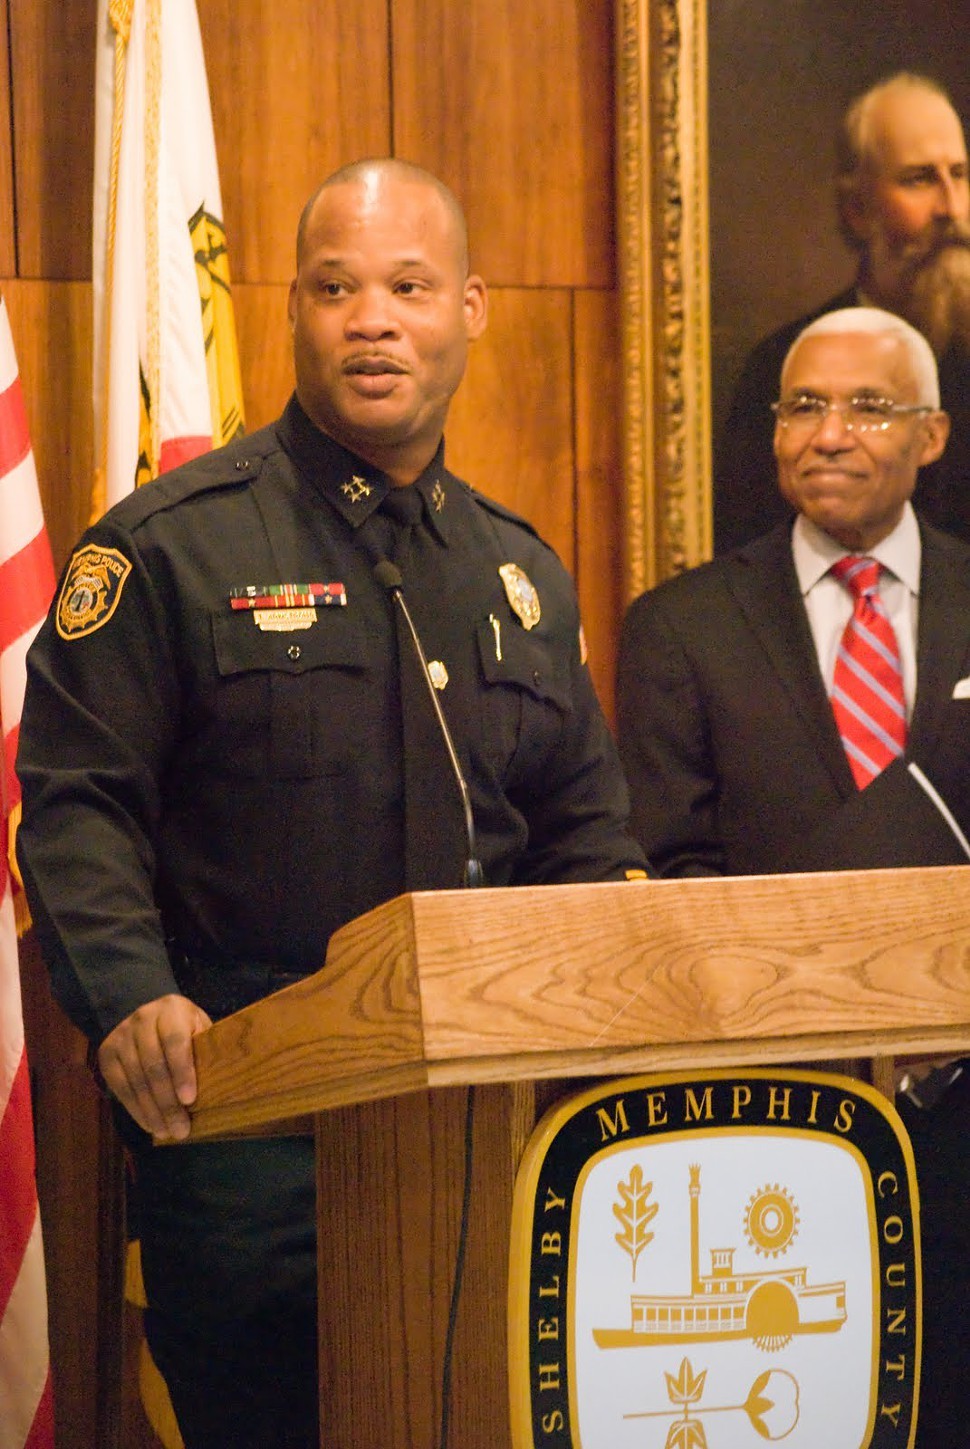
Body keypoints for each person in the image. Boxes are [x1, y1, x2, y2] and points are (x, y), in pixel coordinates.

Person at [16, 158, 648, 1448]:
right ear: (292, 310)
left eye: (408, 287)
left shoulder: (519, 573)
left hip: (488, 1119)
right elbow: (78, 804)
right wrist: (129, 995)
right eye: (336, 287)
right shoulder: (168, 546)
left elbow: (585, 836)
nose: (373, 321)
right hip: (252, 1112)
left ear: (469, 308)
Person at [617, 306, 970, 1442]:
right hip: (777, 1123)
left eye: (868, 406)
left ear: (931, 435)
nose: (828, 433)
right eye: (802, 406)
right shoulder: (679, 628)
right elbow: (670, 874)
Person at [716, 72, 970, 553]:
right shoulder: (778, 367)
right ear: (858, 209)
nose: (952, 208)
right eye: (919, 180)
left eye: (959, 174)